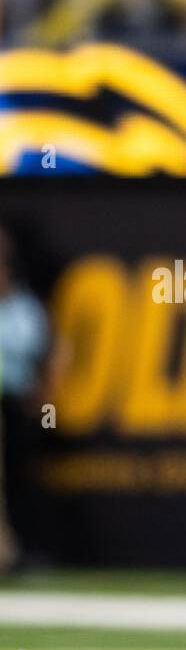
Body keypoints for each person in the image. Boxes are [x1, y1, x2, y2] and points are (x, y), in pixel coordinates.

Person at [0, 227, 52, 571]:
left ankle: (24, 551)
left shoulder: (25, 308)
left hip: (15, 403)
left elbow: (42, 354)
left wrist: (42, 401)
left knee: (19, 478)